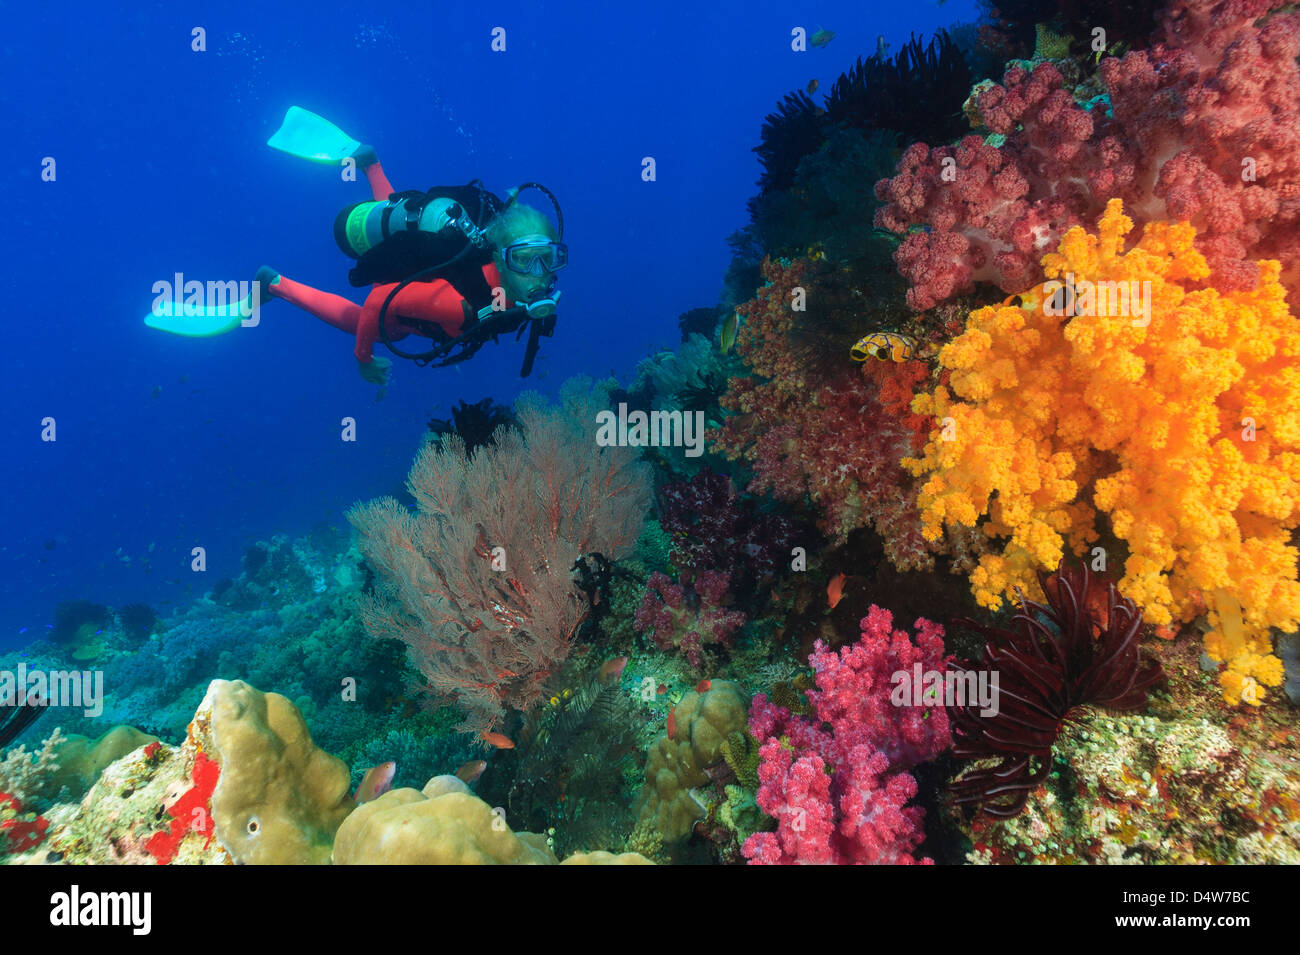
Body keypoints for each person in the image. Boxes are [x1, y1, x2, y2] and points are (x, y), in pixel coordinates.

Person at [148, 107, 566, 381]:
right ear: (499, 255)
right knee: (384, 328)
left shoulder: (520, 291)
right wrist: (363, 360)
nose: (539, 275)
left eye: (548, 260)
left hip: (419, 235)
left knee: (409, 219)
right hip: (390, 282)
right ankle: (272, 284)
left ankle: (369, 163)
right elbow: (377, 303)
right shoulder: (453, 303)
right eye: (525, 261)